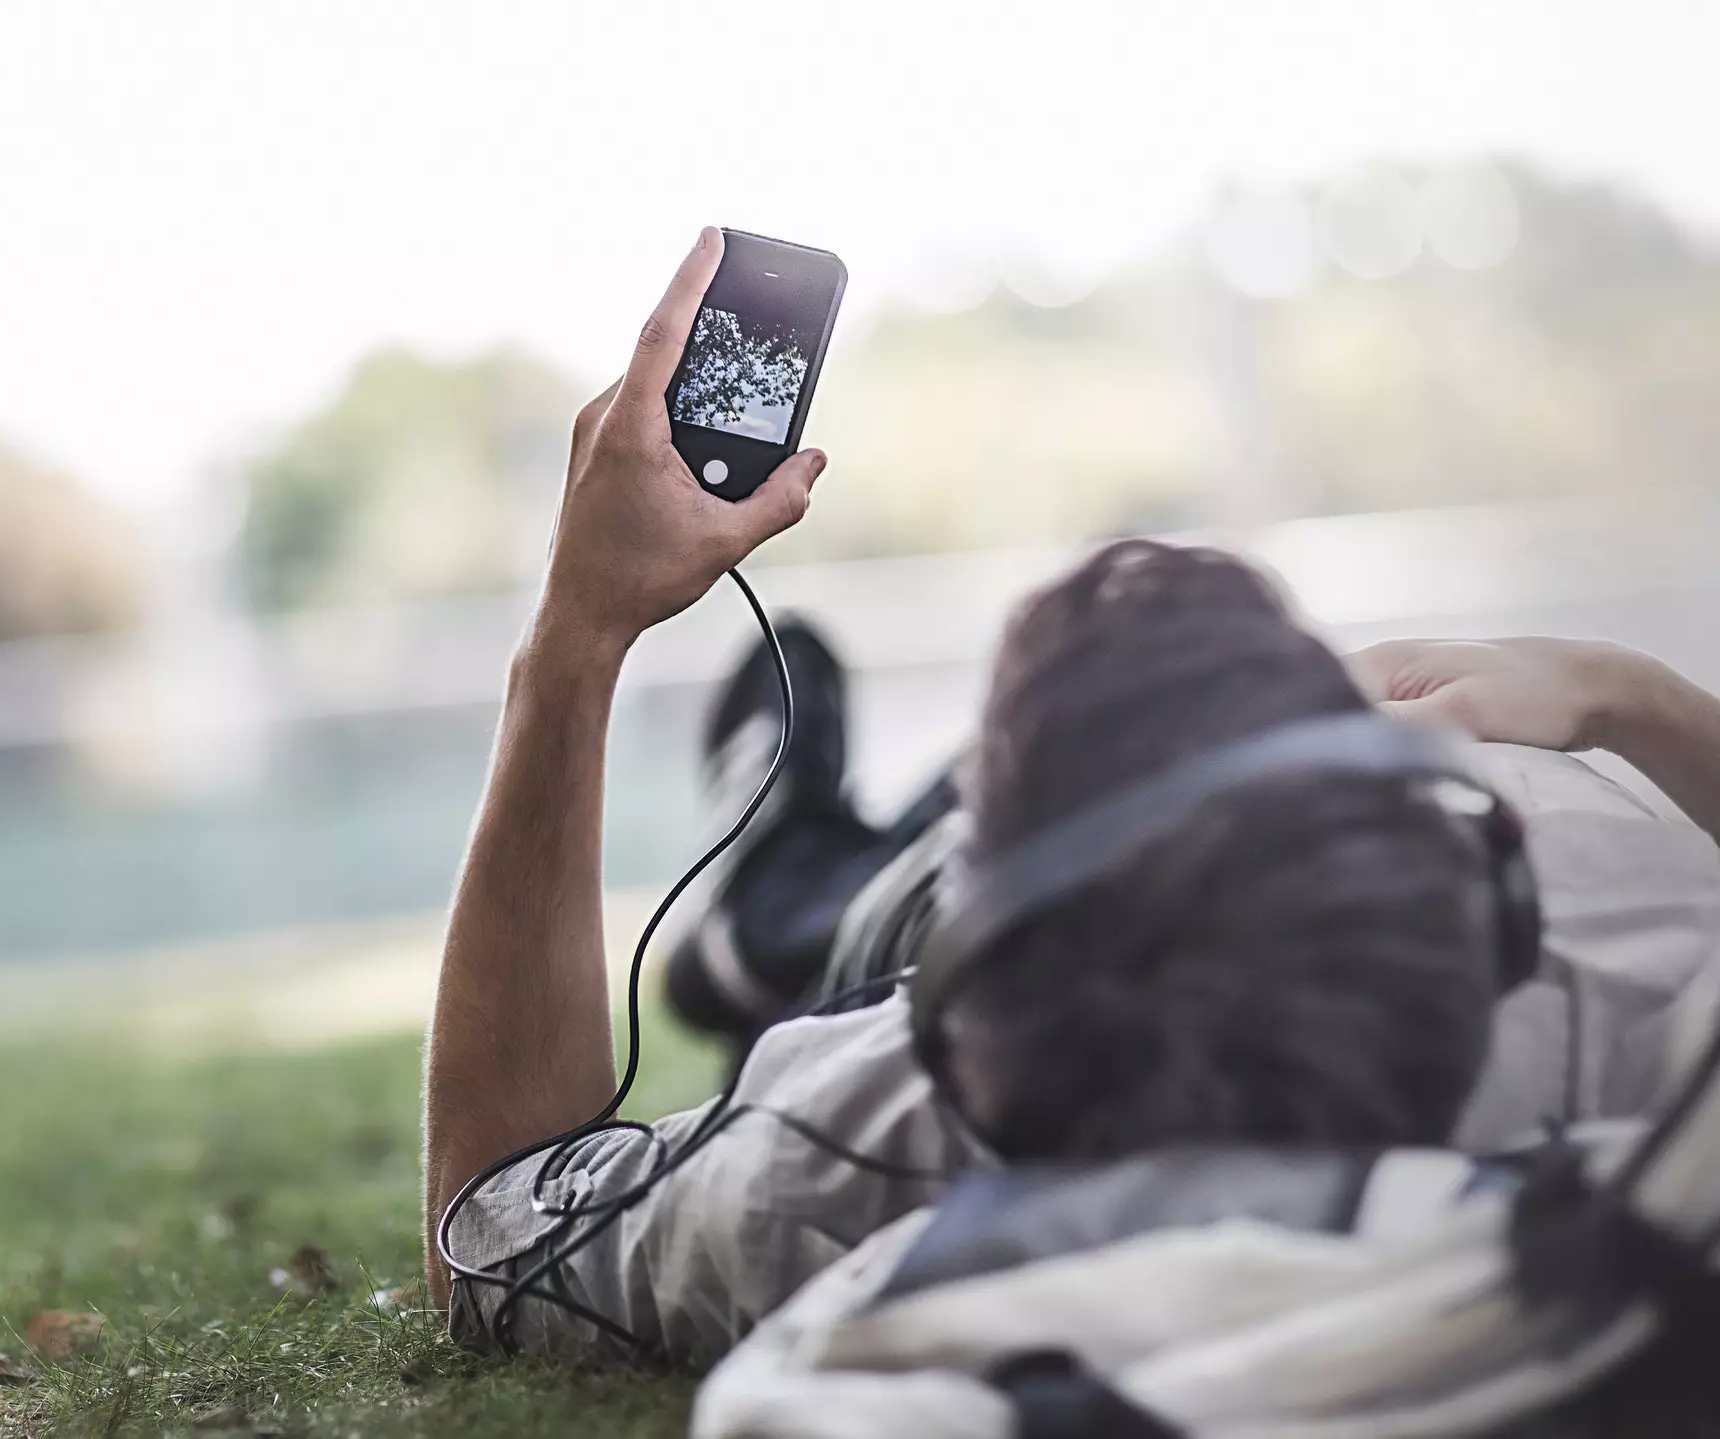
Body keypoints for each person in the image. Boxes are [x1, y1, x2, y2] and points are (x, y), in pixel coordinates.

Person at [419, 228, 1720, 1366]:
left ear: (966, 980)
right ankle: (807, 874)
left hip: (920, 923)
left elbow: (486, 1213)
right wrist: (1622, 694)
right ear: (1454, 851)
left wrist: (575, 639)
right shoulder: (1651, 975)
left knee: (884, 872)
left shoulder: (859, 1137)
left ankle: (783, 897)